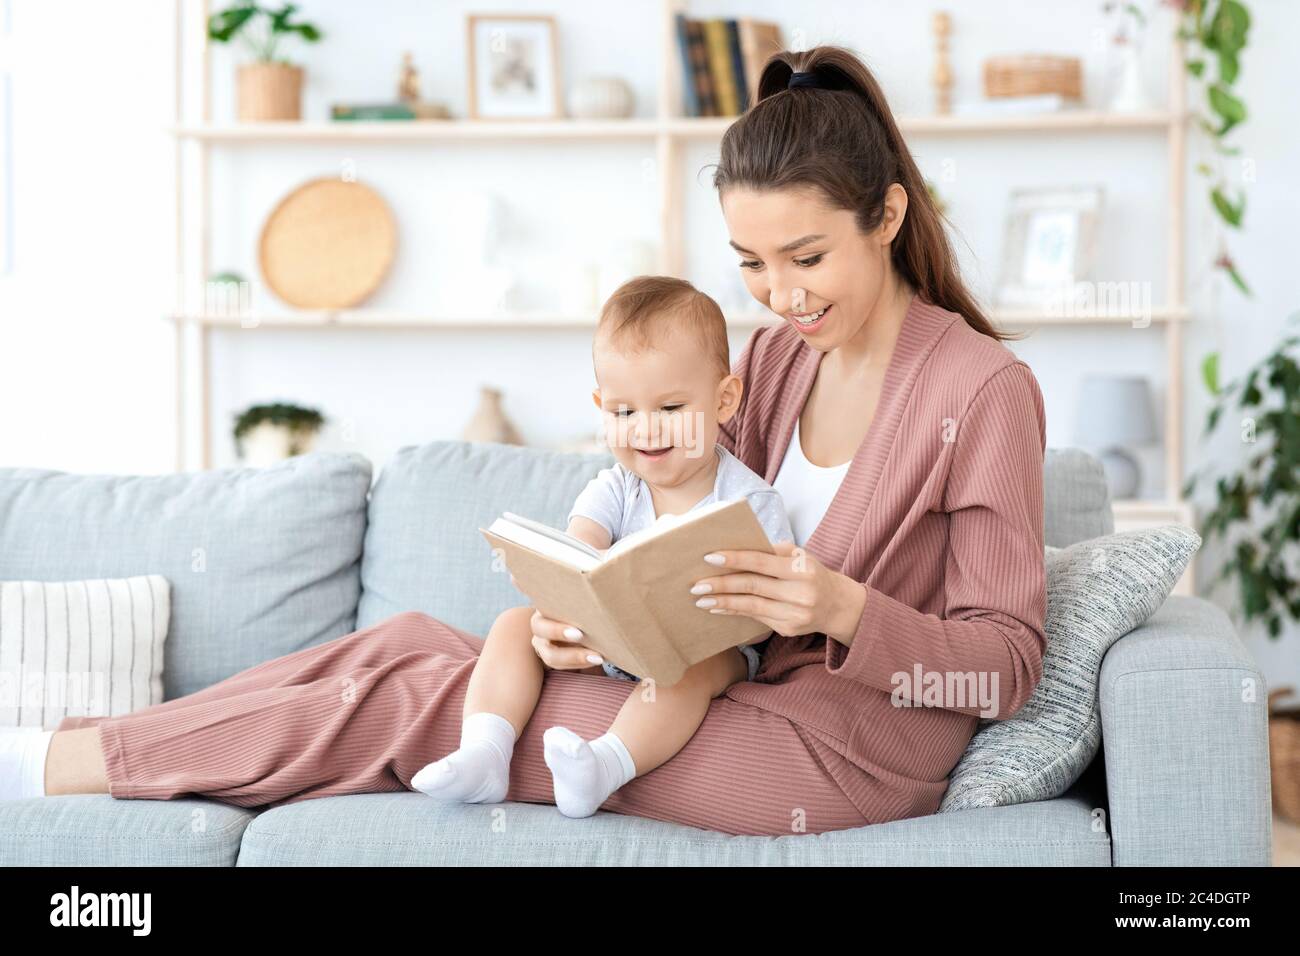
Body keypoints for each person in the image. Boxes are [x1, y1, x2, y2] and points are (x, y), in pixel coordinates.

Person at [5, 45, 1047, 838]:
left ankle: (61, 764)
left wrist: (843, 608)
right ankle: (86, 744)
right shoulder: (771, 362)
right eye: (752, 264)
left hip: (841, 754)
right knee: (412, 638)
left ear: (888, 214)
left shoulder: (983, 389)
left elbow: (1002, 668)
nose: (781, 295)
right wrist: (594, 616)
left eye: (806, 257)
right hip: (715, 691)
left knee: (426, 696)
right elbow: (690, 527)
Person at [410, 275, 795, 818]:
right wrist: (571, 587)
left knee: (694, 671)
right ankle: (484, 752)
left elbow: (767, 619)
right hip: (614, 645)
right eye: (623, 412)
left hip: (705, 653)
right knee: (511, 625)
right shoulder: (616, 486)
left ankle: (604, 767)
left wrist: (727, 612)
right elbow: (578, 552)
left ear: (724, 399)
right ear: (601, 406)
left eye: (669, 407)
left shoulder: (753, 501)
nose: (645, 429)